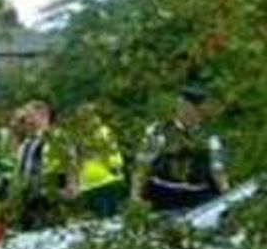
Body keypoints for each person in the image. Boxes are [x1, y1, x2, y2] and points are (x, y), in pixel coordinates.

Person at [139, 84, 230, 212]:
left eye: (193, 110)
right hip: (162, 195)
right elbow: (143, 165)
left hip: (198, 196)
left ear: (200, 111)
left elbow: (218, 170)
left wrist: (227, 197)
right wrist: (136, 199)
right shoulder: (160, 131)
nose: (188, 113)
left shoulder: (211, 136)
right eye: (184, 108)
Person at [66, 106, 127, 219]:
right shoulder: (76, 137)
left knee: (106, 220)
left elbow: (115, 160)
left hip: (107, 184)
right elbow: (72, 162)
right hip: (88, 187)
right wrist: (73, 184)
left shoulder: (103, 132)